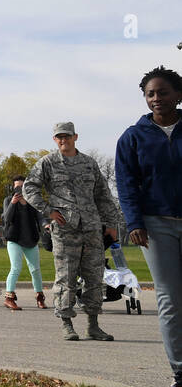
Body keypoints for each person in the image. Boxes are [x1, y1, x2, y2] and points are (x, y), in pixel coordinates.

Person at [115, 66, 182, 387]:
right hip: (156, 225)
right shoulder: (132, 137)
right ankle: (180, 376)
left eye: (163, 92)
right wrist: (133, 222)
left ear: (178, 95)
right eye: (150, 94)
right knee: (170, 298)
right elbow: (126, 183)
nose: (157, 98)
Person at [23, 122, 122, 342]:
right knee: (66, 278)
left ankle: (93, 325)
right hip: (65, 229)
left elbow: (103, 194)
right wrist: (48, 211)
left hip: (91, 228)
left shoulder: (88, 163)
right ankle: (67, 324)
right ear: (54, 139)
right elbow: (29, 187)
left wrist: (112, 223)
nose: (62, 140)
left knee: (94, 277)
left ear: (75, 137)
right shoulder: (47, 163)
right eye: (58, 137)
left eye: (66, 136)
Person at [1, 176, 45, 310]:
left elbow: (40, 217)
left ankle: (39, 296)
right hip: (14, 240)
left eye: (22, 186)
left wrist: (46, 225)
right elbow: (6, 219)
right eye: (17, 187)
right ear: (14, 188)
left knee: (35, 270)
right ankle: (9, 298)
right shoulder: (8, 200)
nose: (20, 189)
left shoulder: (32, 201)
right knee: (16, 267)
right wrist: (13, 203)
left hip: (31, 239)